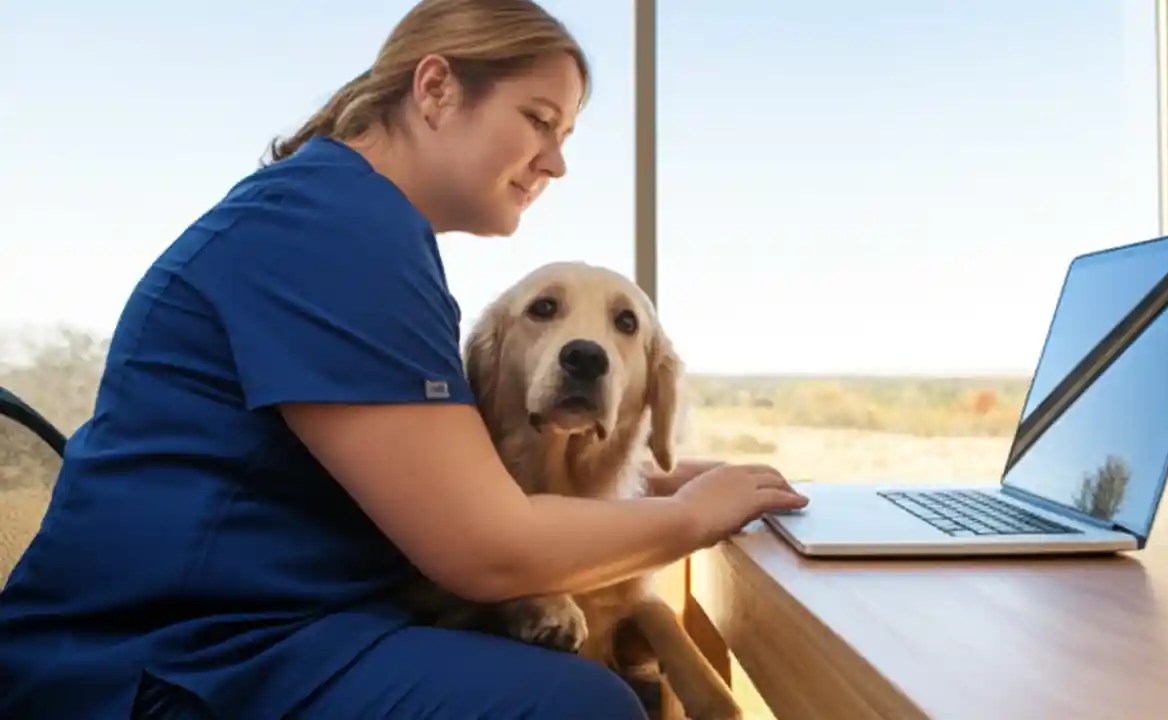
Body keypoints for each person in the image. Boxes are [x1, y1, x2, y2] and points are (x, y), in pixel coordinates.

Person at [0, 0, 809, 717]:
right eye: (537, 120)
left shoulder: (344, 219)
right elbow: (484, 547)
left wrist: (657, 478)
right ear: (435, 90)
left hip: (242, 632)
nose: (556, 162)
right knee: (578, 704)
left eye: (564, 136)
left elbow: (451, 471)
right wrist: (692, 518)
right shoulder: (335, 233)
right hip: (163, 666)